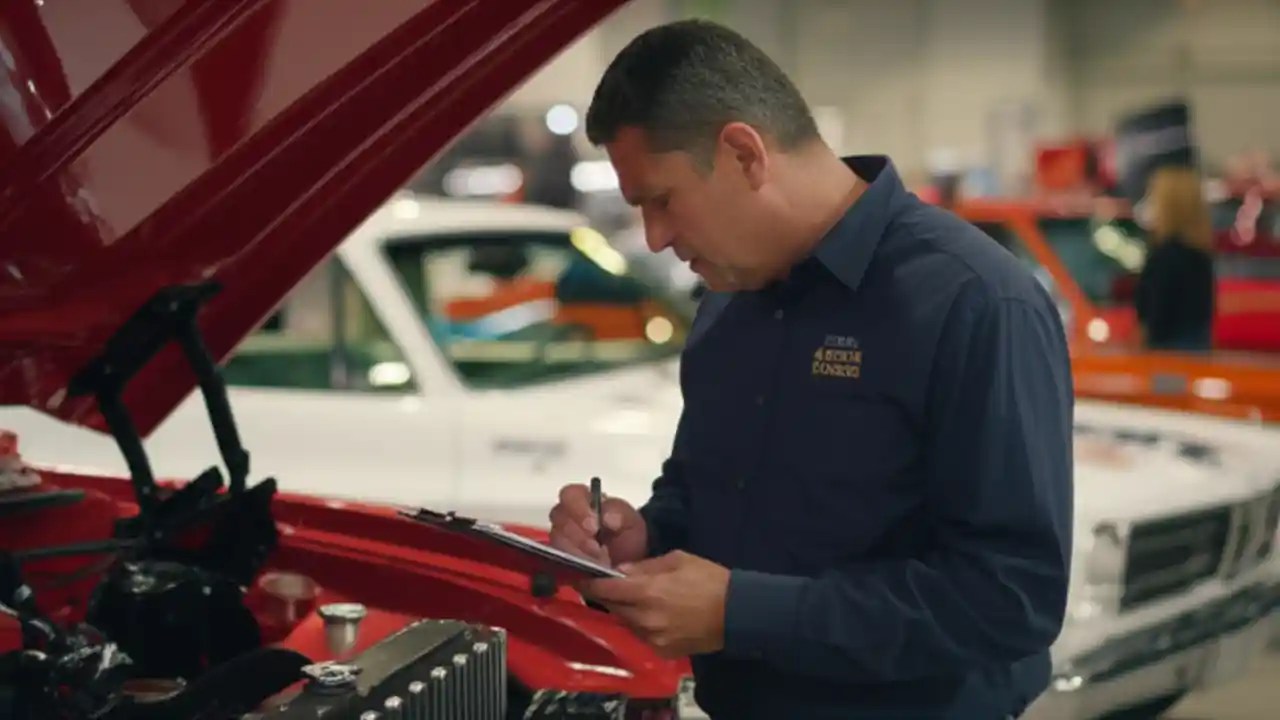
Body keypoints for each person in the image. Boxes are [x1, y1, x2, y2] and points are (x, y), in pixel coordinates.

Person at [547, 19, 1074, 720]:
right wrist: (641, 536)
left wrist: (743, 612)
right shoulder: (727, 305)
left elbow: (1011, 599)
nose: (655, 238)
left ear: (743, 153)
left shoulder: (972, 302)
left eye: (661, 201)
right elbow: (703, 491)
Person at [1134, 165, 1217, 351]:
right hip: (1196, 353)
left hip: (1167, 359)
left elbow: (1156, 316)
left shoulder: (1165, 258)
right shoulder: (1201, 256)